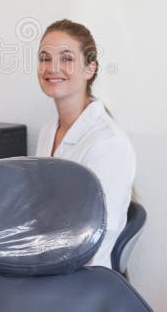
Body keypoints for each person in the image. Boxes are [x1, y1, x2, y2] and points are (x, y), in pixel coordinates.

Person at [35, 19, 136, 269]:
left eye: (67, 58)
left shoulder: (107, 144)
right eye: (45, 58)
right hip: (47, 263)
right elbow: (40, 212)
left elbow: (94, 241)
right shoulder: (48, 132)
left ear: (90, 69)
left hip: (80, 277)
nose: (52, 67)